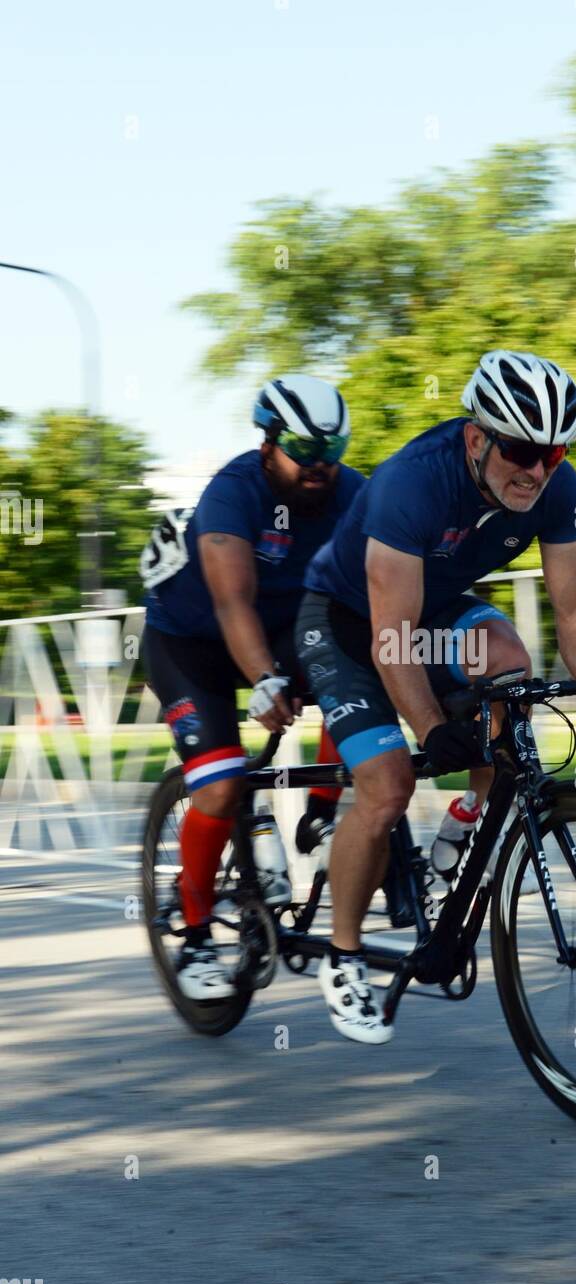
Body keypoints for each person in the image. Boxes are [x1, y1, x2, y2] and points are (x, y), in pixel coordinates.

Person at [296, 349, 576, 1044]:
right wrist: (433, 729)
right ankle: (343, 958)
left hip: (431, 612)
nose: (537, 469)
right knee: (386, 784)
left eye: (553, 453)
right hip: (348, 624)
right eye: (522, 450)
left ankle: (464, 821)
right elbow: (390, 638)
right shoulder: (412, 484)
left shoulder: (554, 485)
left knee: (510, 672)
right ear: (477, 438)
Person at [142, 374, 365, 1000]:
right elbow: (233, 604)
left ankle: (317, 818)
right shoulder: (230, 495)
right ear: (267, 439)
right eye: (303, 446)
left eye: (335, 447)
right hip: (194, 642)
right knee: (219, 786)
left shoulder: (353, 493)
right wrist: (265, 681)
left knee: (362, 676)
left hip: (288, 628)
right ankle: (193, 937)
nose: (321, 462)